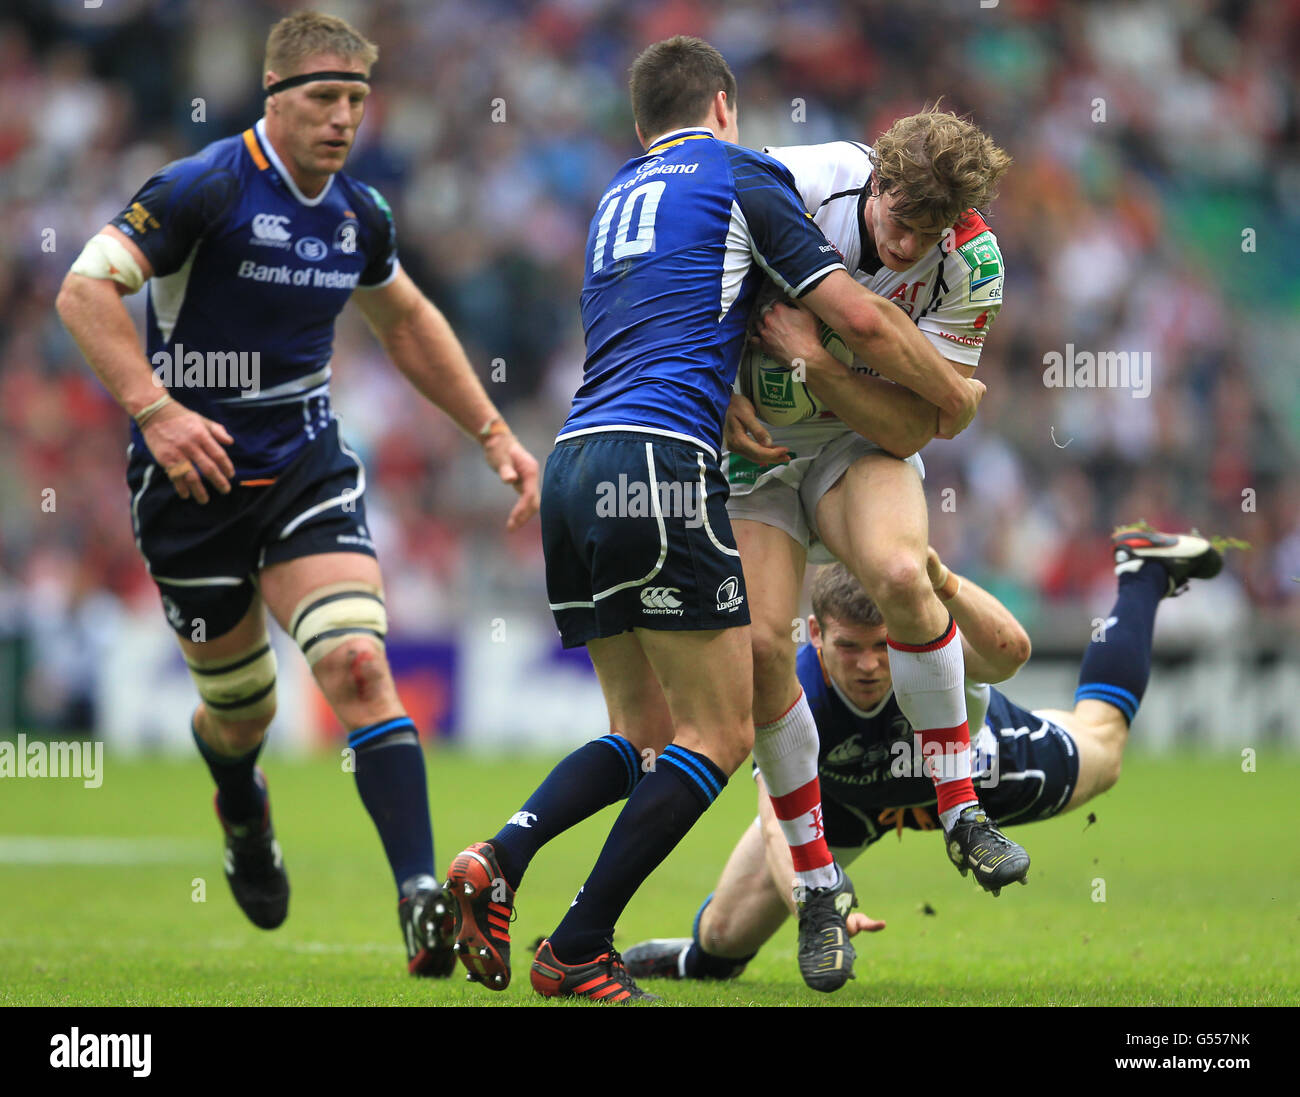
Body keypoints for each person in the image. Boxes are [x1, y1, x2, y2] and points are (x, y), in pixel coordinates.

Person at [445, 36, 986, 1003]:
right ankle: (577, 945)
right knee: (717, 732)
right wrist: (957, 393)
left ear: (638, 122)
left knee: (640, 729)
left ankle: (500, 855)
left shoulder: (614, 198)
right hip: (663, 457)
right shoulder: (744, 171)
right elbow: (858, 321)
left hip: (575, 462)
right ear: (725, 107)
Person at [54, 11, 539, 977]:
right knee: (241, 715)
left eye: (356, 99)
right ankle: (240, 803)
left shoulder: (360, 213)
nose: (343, 118)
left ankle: (417, 896)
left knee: (358, 664)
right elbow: (82, 291)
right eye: (323, 97)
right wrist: (156, 409)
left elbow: (405, 321)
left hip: (306, 468)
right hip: (189, 481)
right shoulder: (202, 186)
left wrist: (492, 430)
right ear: (274, 97)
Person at [622, 526, 1224, 982]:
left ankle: (1142, 570)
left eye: (883, 646)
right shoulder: (788, 687)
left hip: (973, 780)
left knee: (1107, 746)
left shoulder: (930, 647)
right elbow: (779, 823)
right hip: (842, 803)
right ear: (814, 634)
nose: (867, 666)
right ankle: (684, 964)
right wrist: (816, 906)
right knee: (719, 942)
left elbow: (1012, 651)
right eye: (848, 647)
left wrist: (939, 581)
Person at [719, 113, 1022, 982]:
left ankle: (961, 809)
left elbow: (910, 426)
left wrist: (819, 367)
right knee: (761, 645)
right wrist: (709, 396)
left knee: (899, 572)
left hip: (853, 445)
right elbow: (692, 281)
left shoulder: (974, 262)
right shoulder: (797, 181)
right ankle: (817, 883)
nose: (907, 244)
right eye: (898, 219)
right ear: (876, 181)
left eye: (929, 233)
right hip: (754, 465)